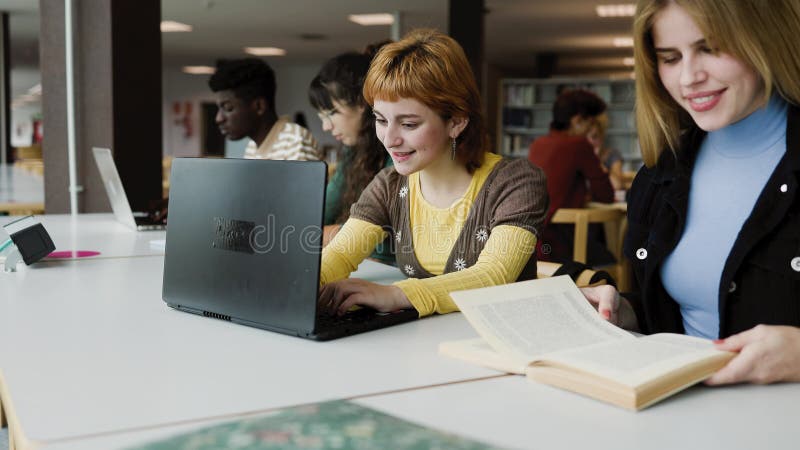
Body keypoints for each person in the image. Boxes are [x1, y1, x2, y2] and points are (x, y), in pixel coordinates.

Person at [583, 0, 800, 385]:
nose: (688, 77)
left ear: (765, 39)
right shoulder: (659, 176)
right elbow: (683, 313)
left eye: (710, 49)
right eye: (669, 57)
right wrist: (625, 313)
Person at [317, 29, 548, 317]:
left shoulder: (515, 182)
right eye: (380, 119)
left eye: (409, 124)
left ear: (456, 122)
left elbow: (494, 275)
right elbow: (339, 254)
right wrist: (302, 286)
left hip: (499, 342)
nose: (389, 139)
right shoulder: (389, 184)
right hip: (425, 344)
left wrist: (397, 294)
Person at [308, 45, 394, 260]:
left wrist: (326, 234)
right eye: (321, 117)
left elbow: (388, 239)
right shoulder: (353, 152)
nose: (326, 127)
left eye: (332, 113)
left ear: (363, 104)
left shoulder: (398, 153)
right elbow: (320, 211)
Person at [528, 89, 615, 265]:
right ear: (576, 121)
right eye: (589, 124)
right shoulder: (578, 144)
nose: (590, 130)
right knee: (610, 260)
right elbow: (606, 195)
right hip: (557, 241)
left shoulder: (538, 144)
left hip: (532, 240)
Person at [208, 58, 321, 161]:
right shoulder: (252, 146)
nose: (219, 118)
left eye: (228, 108)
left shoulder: (294, 141)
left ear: (259, 107)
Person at [586, 114, 626, 191]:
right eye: (586, 138)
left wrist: (596, 161)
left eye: (594, 136)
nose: (591, 142)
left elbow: (617, 185)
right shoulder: (579, 156)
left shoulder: (613, 154)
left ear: (602, 136)